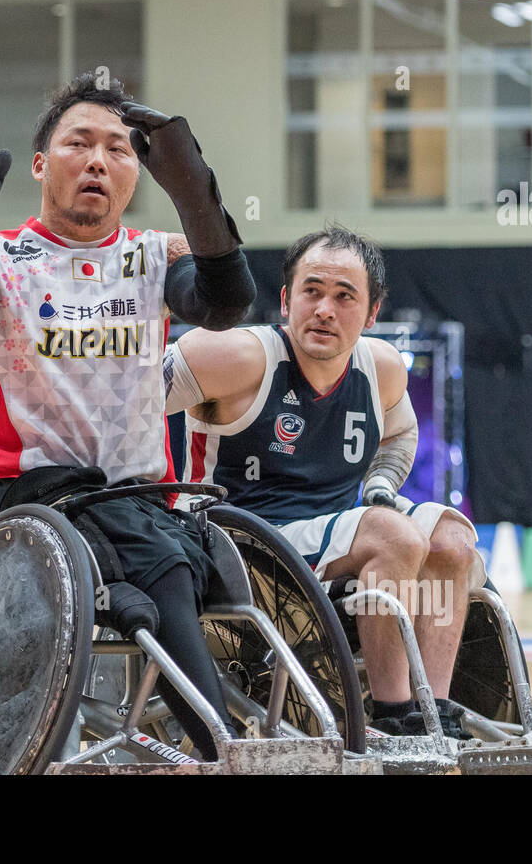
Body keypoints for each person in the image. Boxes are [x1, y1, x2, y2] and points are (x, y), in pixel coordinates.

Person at [0, 72, 256, 760]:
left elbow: (225, 304)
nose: (98, 159)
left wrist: (195, 191)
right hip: (30, 509)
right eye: (78, 143)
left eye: (119, 149)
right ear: (40, 163)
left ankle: (219, 748)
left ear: (137, 171)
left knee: (178, 614)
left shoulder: (156, 255)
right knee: (20, 692)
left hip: (138, 505)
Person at [165, 226, 480, 738]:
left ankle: (432, 710)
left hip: (329, 541)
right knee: (394, 535)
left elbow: (401, 433)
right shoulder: (238, 356)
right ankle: (393, 716)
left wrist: (381, 483)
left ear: (372, 313)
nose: (325, 309)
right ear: (287, 299)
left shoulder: (379, 368)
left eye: (343, 296)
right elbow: (129, 404)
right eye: (312, 291)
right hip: (234, 541)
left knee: (452, 538)